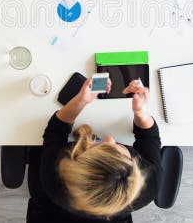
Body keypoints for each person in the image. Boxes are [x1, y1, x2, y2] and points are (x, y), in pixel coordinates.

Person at [28, 77, 161, 222]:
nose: (109, 138)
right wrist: (142, 113)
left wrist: (81, 100)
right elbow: (149, 139)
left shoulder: (54, 179)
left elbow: (55, 132)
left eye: (98, 146)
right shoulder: (149, 185)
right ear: (135, 163)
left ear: (75, 162)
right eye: (118, 149)